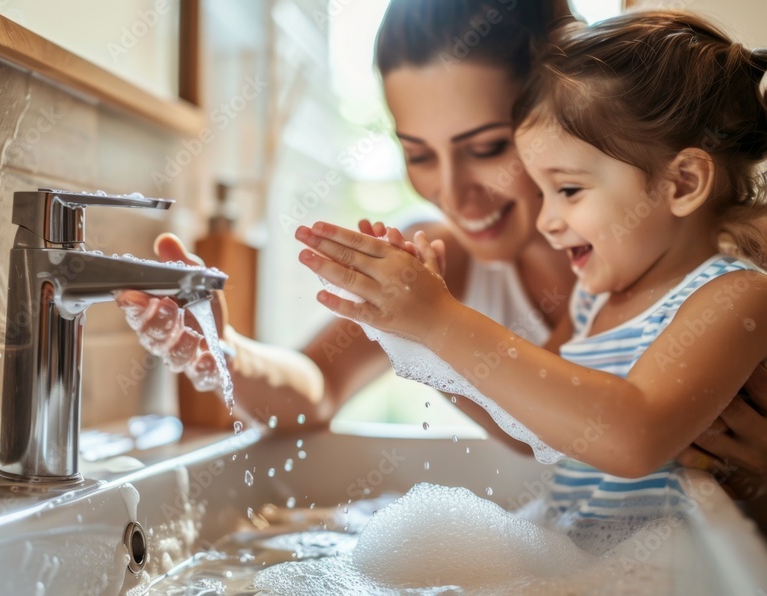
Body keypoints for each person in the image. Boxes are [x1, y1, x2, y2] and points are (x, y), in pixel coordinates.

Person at [115, 0, 767, 501]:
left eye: (486, 147)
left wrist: (440, 325)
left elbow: (626, 432)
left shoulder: (719, 280)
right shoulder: (489, 271)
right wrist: (224, 350)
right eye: (418, 154)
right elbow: (319, 392)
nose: (454, 194)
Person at [294, 9, 767, 541]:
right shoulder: (596, 296)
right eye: (541, 192)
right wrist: (420, 344)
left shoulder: (736, 296)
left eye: (567, 190)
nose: (546, 219)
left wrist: (443, 321)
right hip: (577, 560)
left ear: (681, 183)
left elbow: (633, 435)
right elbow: (536, 423)